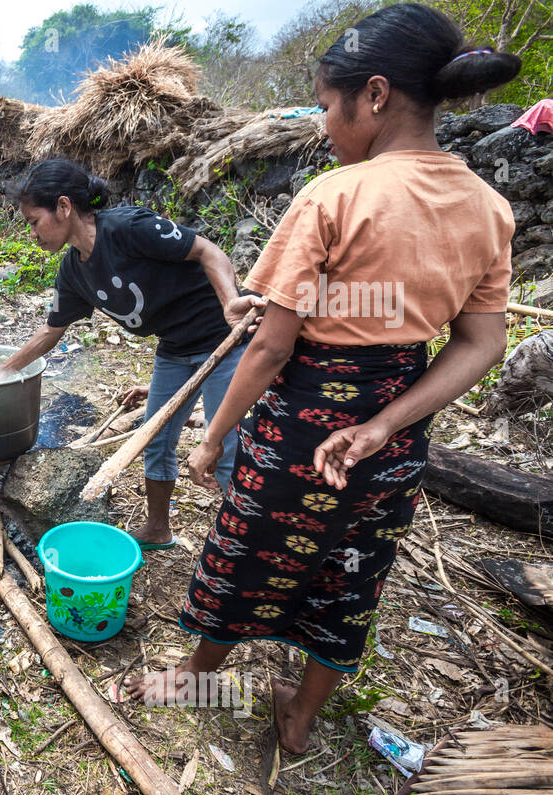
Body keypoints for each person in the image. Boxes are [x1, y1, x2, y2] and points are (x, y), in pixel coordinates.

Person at [125, 3, 519, 756]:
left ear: (373, 96)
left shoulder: (334, 196)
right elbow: (480, 343)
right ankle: (300, 716)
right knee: (353, 570)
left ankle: (196, 678)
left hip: (301, 430)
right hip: (389, 439)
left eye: (324, 105)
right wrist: (382, 426)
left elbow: (272, 351)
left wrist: (212, 440)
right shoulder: (488, 207)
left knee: (246, 550)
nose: (322, 124)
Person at [0, 158, 249, 549]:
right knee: (156, 438)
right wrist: (2, 371)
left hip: (222, 339)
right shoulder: (73, 271)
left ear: (64, 207)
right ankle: (158, 528)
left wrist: (231, 302)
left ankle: (241, 545)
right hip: (174, 348)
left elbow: (208, 252)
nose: (31, 232)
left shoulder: (128, 228)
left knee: (226, 447)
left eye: (33, 220)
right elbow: (51, 331)